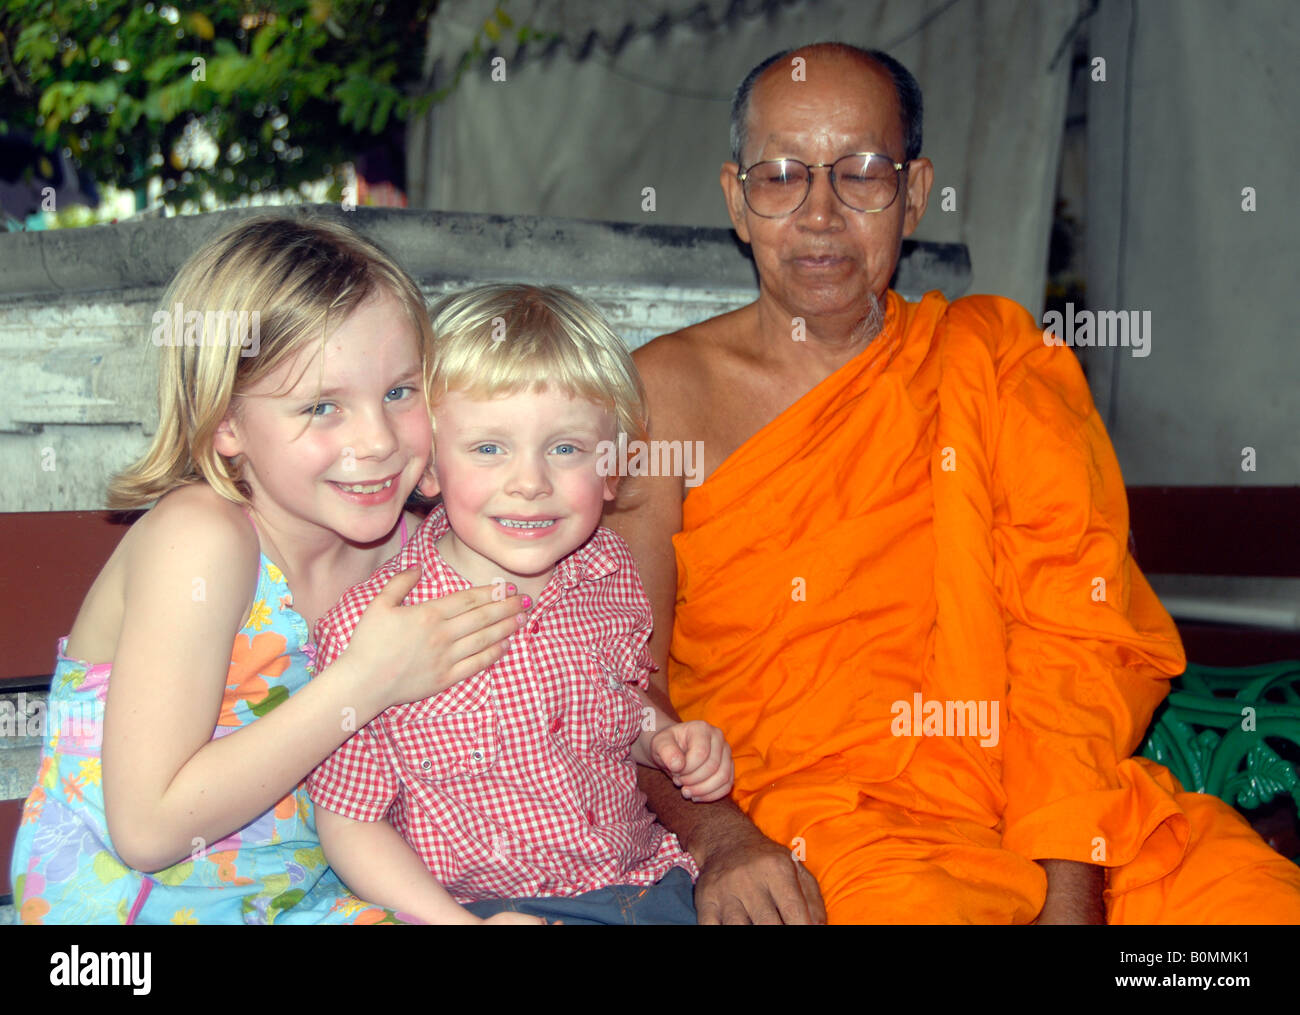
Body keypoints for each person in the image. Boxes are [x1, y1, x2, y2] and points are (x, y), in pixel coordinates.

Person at [607, 42, 1300, 924]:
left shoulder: (996, 363)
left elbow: (1075, 647)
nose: (821, 215)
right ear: (738, 201)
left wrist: (1070, 888)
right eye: (781, 177)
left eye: (861, 173)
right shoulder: (659, 397)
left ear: (916, 192)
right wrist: (722, 839)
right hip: (813, 820)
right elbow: (620, 678)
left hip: (1054, 814)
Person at [9, 215, 529, 924]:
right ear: (226, 424)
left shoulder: (410, 551)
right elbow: (149, 827)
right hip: (124, 917)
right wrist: (368, 678)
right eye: (321, 405)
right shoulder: (205, 541)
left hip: (312, 903)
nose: (376, 440)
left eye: (401, 393)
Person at [307, 283, 733, 925]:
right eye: (488, 448)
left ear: (613, 470)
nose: (531, 483)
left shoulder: (609, 574)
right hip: (485, 908)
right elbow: (349, 825)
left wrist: (669, 743)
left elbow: (619, 713)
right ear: (427, 470)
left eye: (565, 449)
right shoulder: (374, 626)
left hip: (651, 882)